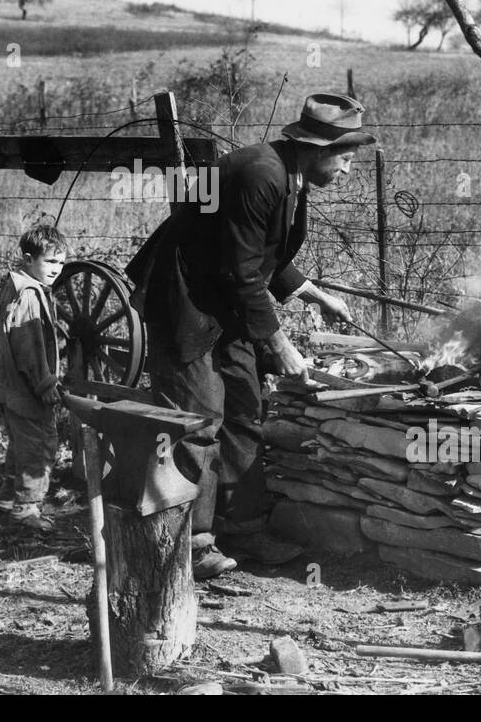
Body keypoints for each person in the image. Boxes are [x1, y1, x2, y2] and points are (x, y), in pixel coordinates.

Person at [126, 93, 375, 579]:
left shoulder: (288, 175)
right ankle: (190, 545)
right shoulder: (262, 173)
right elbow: (243, 270)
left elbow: (264, 256)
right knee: (197, 419)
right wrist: (279, 344)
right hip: (185, 301)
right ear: (318, 148)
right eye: (345, 158)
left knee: (245, 409)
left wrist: (313, 294)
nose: (348, 170)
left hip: (226, 301)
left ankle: (244, 527)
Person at [0, 222, 68, 532]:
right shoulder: (30, 296)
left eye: (61, 263)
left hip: (11, 387)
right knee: (40, 446)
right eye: (49, 261)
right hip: (27, 388)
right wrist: (46, 383)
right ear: (27, 257)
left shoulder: (14, 284)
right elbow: (30, 349)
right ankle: (27, 510)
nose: (56, 270)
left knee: (20, 444)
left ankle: (8, 498)